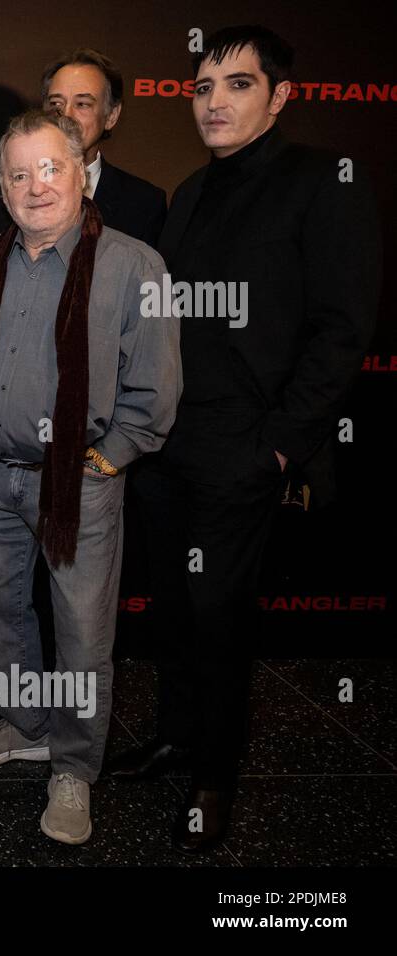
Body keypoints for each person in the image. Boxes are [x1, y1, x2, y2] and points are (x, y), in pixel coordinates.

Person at [110, 25, 381, 852]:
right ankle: (175, 737)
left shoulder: (323, 181)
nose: (214, 102)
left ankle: (214, 776)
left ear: (280, 95)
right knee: (171, 606)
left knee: (219, 615)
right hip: (166, 442)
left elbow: (342, 329)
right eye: (203, 87)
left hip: (243, 445)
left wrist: (279, 445)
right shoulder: (191, 190)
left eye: (237, 84)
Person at [0, 109, 180, 845]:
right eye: (19, 174)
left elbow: (156, 390)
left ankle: (75, 767)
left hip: (77, 481)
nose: (36, 186)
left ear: (81, 173)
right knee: (1, 613)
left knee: (82, 632)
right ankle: (24, 725)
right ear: (2, 187)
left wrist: (108, 459)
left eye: (51, 168)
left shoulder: (134, 264)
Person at [0, 49, 166, 246]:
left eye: (82, 104)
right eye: (56, 103)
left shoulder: (144, 202)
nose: (66, 115)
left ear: (111, 115)